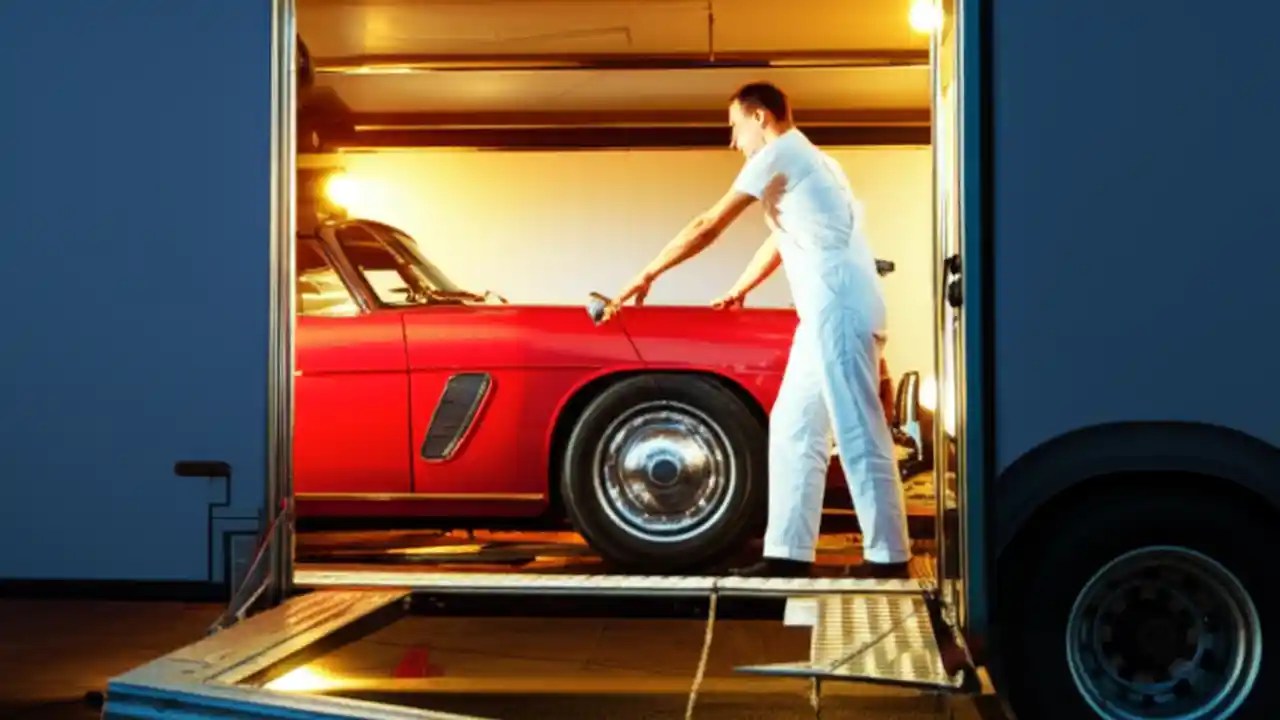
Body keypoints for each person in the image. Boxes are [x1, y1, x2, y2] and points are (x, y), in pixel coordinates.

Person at [601, 82, 911, 579]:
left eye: (734, 127)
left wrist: (647, 274)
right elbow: (781, 239)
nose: (732, 141)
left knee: (858, 430)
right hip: (833, 313)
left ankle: (888, 558)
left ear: (760, 117)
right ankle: (787, 554)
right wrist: (740, 287)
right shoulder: (820, 163)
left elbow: (708, 224)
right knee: (793, 429)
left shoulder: (779, 154)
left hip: (837, 310)